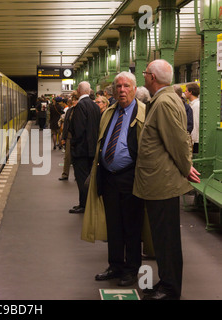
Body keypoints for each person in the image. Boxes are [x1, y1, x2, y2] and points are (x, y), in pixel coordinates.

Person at [135, 59, 200, 300]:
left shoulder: (163, 102)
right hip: (159, 181)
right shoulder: (167, 99)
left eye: (145, 73)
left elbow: (176, 140)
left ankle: (170, 290)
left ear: (152, 77)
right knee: (163, 239)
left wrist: (186, 168)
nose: (144, 77)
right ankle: (166, 283)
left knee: (166, 240)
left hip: (162, 182)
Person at [82, 72, 146, 287]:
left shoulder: (143, 113)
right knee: (114, 226)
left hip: (131, 177)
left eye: (126, 86)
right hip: (109, 177)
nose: (121, 90)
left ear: (134, 89)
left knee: (132, 226)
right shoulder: (110, 112)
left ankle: (131, 269)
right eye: (118, 86)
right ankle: (115, 265)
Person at [68, 82, 100, 213]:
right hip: (92, 149)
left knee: (81, 179)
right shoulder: (95, 106)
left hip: (81, 150)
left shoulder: (80, 106)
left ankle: (84, 205)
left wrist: (74, 144)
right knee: (89, 179)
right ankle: (87, 203)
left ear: (79, 90)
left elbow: (79, 129)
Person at [59, 92, 79, 180]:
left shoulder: (81, 110)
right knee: (67, 157)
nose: (74, 102)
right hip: (69, 137)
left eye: (76, 100)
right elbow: (66, 124)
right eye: (73, 100)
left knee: (77, 157)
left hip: (78, 137)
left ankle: (77, 175)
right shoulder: (69, 111)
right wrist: (63, 137)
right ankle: (65, 174)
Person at [185, 83, 200, 153]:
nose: (184, 93)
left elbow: (195, 124)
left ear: (190, 92)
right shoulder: (192, 105)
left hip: (195, 141)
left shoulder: (196, 106)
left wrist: (192, 141)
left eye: (186, 91)